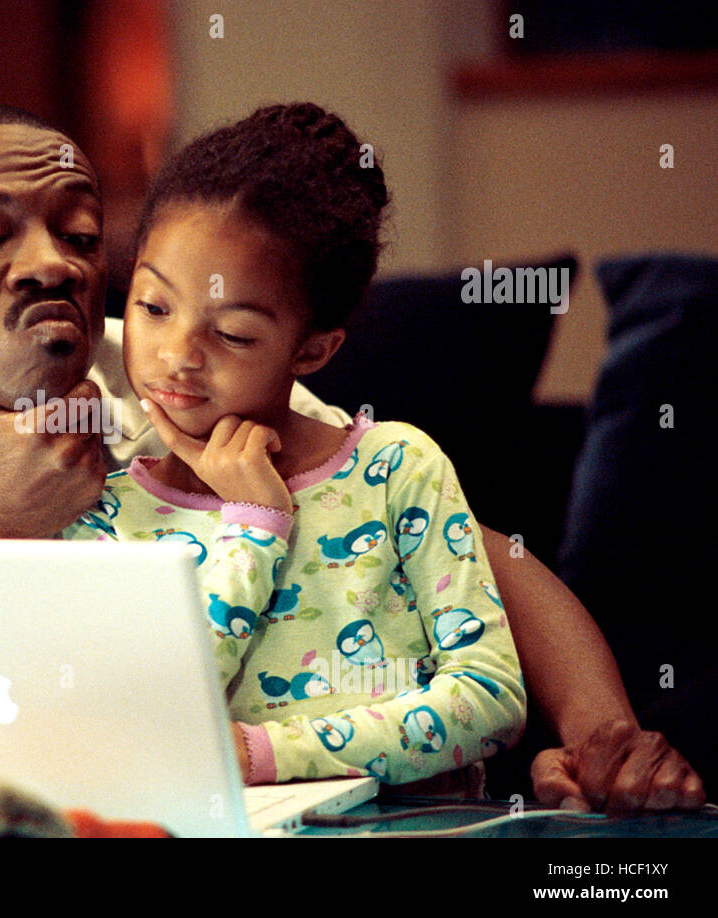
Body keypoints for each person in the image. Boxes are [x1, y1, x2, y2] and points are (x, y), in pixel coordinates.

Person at [0, 103, 704, 813]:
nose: (51, 261)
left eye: (76, 231)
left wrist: (604, 735)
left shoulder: (162, 378)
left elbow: (443, 541)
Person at [62, 102, 523, 792]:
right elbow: (149, 722)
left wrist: (262, 755)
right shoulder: (105, 511)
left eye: (235, 334)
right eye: (154, 308)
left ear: (313, 348)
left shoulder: (397, 468)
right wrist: (253, 531)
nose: (179, 355)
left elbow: (489, 700)